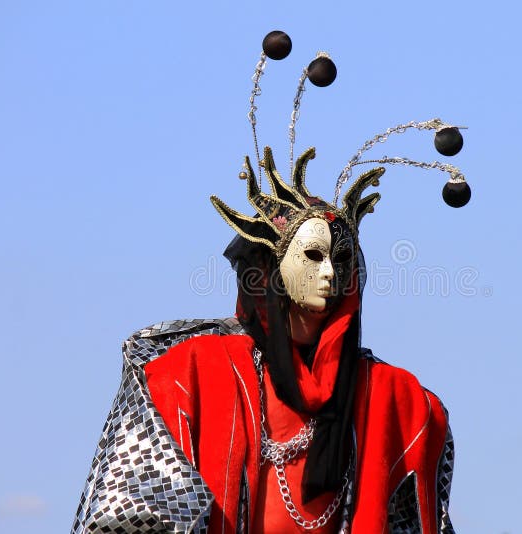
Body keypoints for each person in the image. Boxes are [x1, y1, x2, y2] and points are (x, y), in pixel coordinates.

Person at [72, 31, 468, 534]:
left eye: (342, 260)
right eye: (313, 255)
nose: (330, 273)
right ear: (269, 271)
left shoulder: (397, 401)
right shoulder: (187, 376)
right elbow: (127, 517)